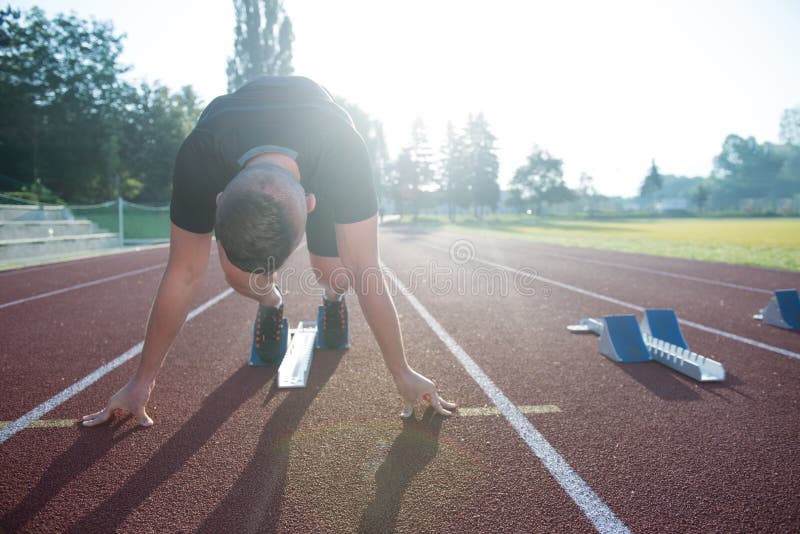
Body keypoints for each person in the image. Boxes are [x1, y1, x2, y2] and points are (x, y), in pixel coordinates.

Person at [82, 76, 456, 428]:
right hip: (245, 156)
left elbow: (366, 268)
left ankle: (332, 297)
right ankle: (272, 303)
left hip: (322, 158)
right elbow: (183, 274)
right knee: (238, 275)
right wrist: (141, 382)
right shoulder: (199, 157)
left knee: (334, 270)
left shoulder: (345, 152)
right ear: (219, 198)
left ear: (312, 204)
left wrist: (401, 370)